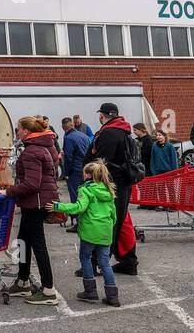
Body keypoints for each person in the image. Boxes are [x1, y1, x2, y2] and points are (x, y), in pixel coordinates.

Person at [0, 116, 60, 305]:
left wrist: (8, 192)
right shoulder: (44, 147)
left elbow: (32, 184)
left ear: (26, 131)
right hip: (35, 202)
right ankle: (23, 281)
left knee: (38, 245)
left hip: (36, 203)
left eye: (18, 129)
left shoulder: (32, 151)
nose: (16, 132)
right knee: (23, 241)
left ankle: (48, 290)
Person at [51, 159, 120, 306]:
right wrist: (109, 226)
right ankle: (112, 295)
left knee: (86, 257)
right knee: (105, 263)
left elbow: (79, 208)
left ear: (88, 175)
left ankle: (90, 291)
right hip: (105, 229)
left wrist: (58, 206)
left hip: (90, 229)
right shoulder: (108, 190)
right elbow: (114, 214)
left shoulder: (85, 190)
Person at [90, 103, 140, 275]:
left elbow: (101, 163)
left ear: (102, 116)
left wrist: (93, 183)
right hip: (121, 184)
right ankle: (128, 261)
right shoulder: (123, 131)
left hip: (111, 185)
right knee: (123, 223)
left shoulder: (109, 133)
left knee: (109, 223)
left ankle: (98, 263)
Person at [61, 117, 91, 202]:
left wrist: (66, 173)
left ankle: (75, 215)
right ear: (73, 125)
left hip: (75, 171)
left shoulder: (69, 138)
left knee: (75, 195)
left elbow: (68, 158)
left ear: (63, 128)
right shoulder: (84, 136)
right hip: (86, 169)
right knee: (86, 194)